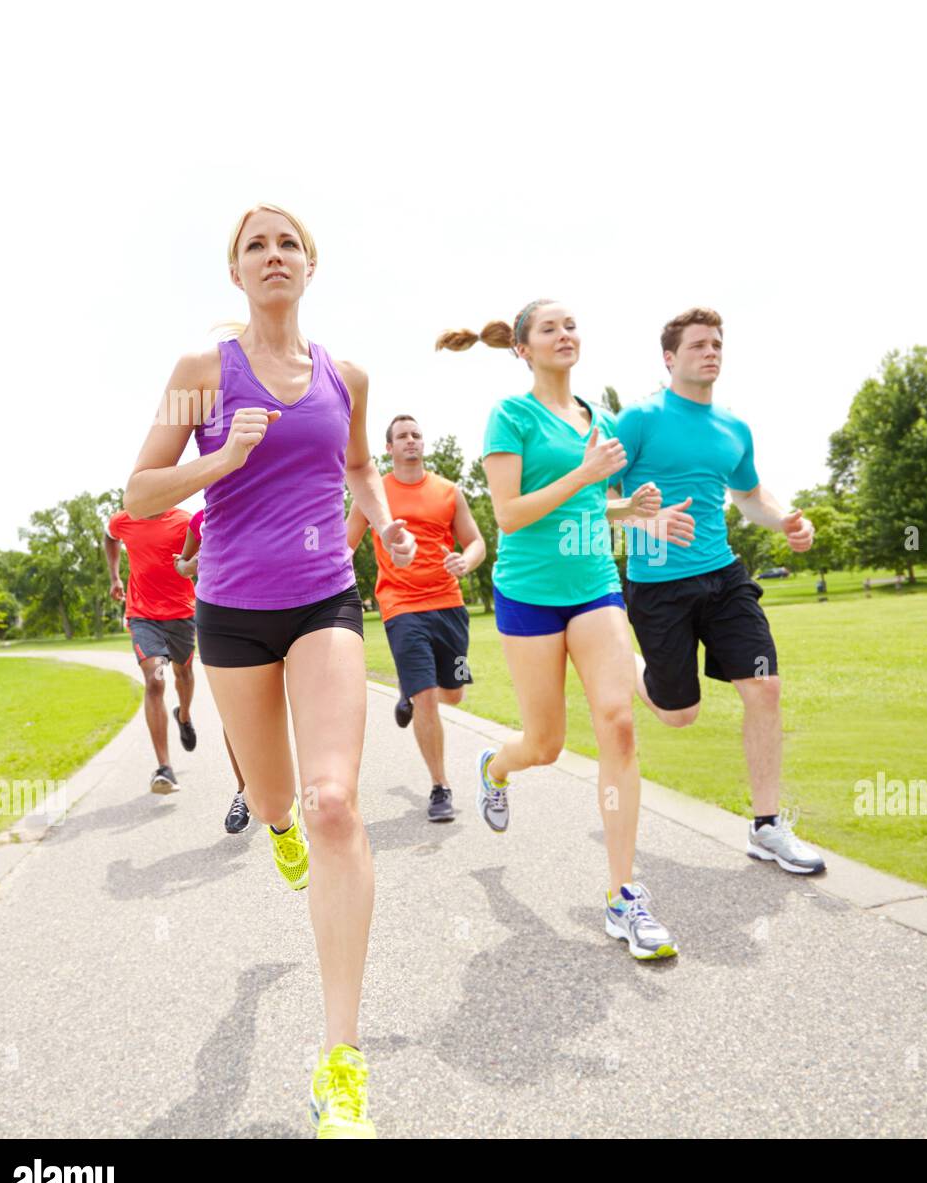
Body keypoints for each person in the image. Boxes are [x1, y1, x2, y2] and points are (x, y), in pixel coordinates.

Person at [122, 203, 416, 1139]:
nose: (274, 254)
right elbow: (137, 493)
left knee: (338, 803)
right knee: (284, 802)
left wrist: (387, 519)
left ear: (311, 264)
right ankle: (277, 824)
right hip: (231, 616)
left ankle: (341, 1063)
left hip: (325, 599)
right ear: (237, 273)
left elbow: (361, 468)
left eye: (288, 241)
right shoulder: (201, 374)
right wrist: (227, 456)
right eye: (257, 244)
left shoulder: (347, 375)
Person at [436, 300, 678, 960]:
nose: (565, 334)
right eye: (550, 328)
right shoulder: (509, 416)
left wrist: (632, 508)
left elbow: (585, 504)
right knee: (544, 743)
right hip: (529, 593)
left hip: (595, 584)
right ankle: (496, 765)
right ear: (523, 348)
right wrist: (588, 473)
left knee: (618, 720)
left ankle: (624, 894)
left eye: (571, 324)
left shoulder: (593, 416)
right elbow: (511, 514)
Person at [611, 306, 826, 875]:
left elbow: (750, 496)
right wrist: (641, 518)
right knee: (679, 715)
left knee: (765, 686)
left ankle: (767, 828)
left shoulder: (734, 428)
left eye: (717, 344)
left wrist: (785, 522)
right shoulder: (636, 420)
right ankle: (624, 662)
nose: (712, 352)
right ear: (669, 357)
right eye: (699, 344)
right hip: (657, 584)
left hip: (723, 574)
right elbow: (591, 498)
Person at [346, 414, 485, 822]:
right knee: (428, 697)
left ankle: (408, 693)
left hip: (448, 603)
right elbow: (344, 545)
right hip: (401, 605)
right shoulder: (374, 495)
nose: (410, 441)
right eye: (402, 436)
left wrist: (467, 560)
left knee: (453, 694)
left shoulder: (448, 491)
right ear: (388, 448)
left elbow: (475, 540)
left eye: (416, 435)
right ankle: (440, 787)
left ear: (423, 444)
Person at [103, 507, 196, 794]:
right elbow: (109, 536)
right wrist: (115, 577)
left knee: (184, 673)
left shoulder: (184, 522)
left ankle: (184, 716)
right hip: (143, 616)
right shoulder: (125, 518)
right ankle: (165, 768)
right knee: (155, 679)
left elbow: (201, 556)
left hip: (181, 614)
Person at [174, 507, 251, 833]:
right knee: (237, 714)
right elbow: (182, 565)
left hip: (283, 608)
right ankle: (244, 793)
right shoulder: (199, 520)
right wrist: (189, 566)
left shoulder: (267, 498)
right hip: (223, 618)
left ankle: (294, 791)